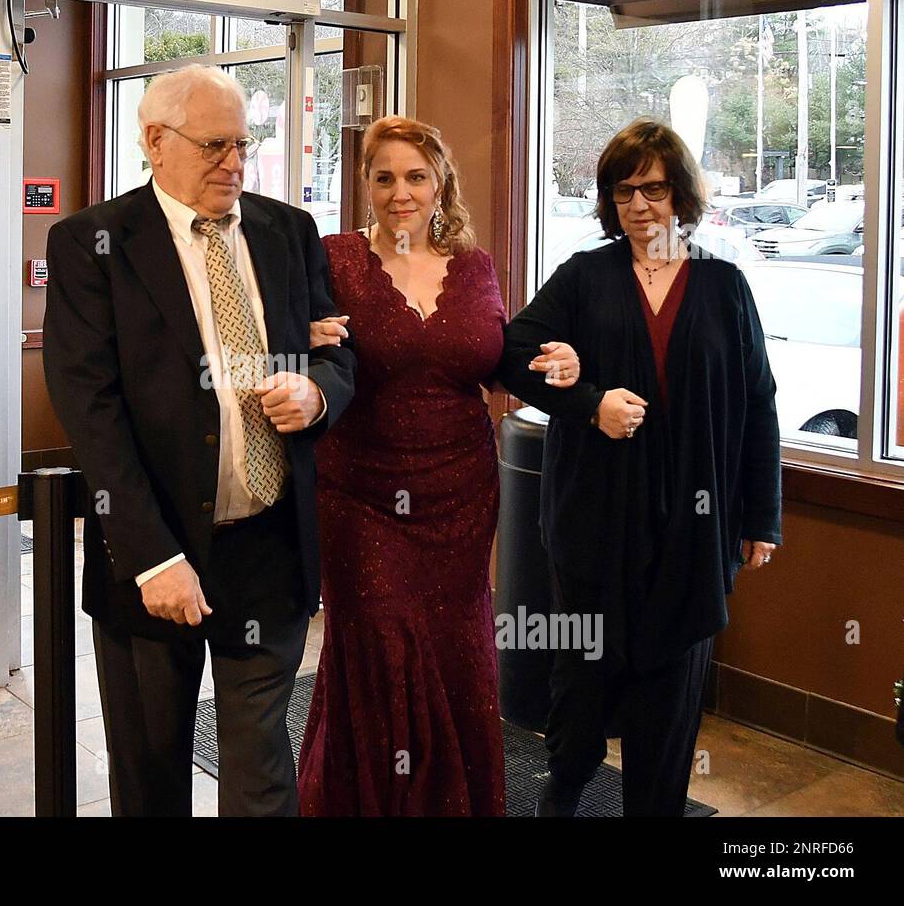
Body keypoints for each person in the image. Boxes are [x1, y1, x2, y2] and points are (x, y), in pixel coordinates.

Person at [43, 65, 356, 816]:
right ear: (155, 141)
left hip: (270, 545)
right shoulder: (93, 243)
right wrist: (153, 558)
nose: (235, 163)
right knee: (151, 777)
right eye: (215, 145)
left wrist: (317, 392)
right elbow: (91, 411)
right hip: (157, 554)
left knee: (261, 775)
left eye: (243, 144)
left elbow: (336, 350)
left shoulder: (288, 232)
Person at [296, 116, 580, 815]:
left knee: (457, 646)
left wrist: (557, 365)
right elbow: (299, 354)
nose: (401, 192)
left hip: (461, 494)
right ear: (365, 185)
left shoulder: (475, 266)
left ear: (440, 183)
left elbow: (497, 360)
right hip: (361, 495)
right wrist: (296, 337)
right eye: (385, 177)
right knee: (380, 642)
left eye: (416, 176)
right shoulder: (334, 259)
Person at [498, 118, 782, 816]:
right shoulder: (584, 278)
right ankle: (563, 789)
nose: (638, 205)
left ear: (680, 193)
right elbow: (512, 355)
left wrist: (761, 517)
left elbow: (759, 402)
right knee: (583, 683)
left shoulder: (723, 285)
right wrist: (587, 401)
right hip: (594, 524)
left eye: (652, 189)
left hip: (695, 530)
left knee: (670, 696)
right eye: (623, 191)